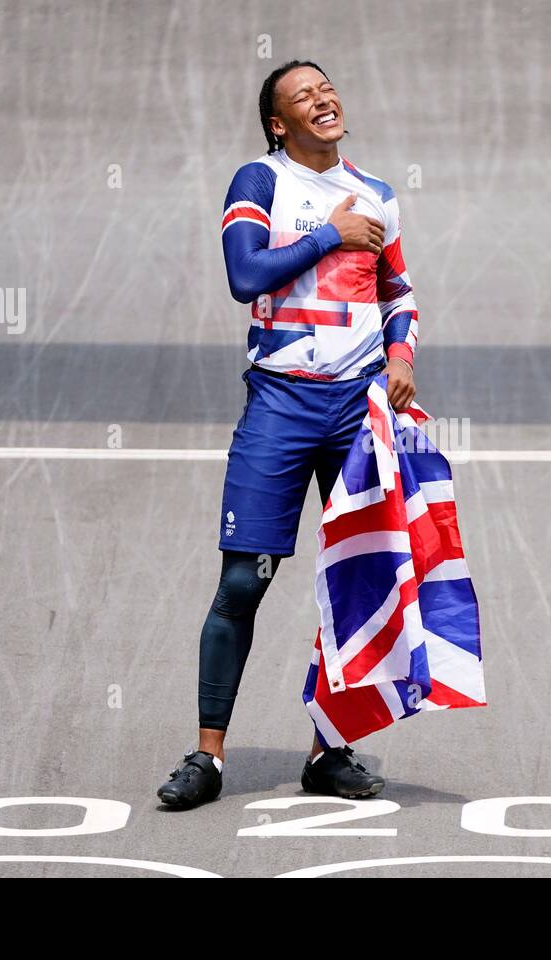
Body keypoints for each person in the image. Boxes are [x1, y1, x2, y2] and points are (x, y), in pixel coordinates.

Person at [158, 59, 420, 809]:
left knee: (355, 584)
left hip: (356, 409)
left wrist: (400, 354)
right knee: (245, 579)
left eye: (328, 87)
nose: (323, 99)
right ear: (280, 123)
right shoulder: (260, 182)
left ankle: (328, 750)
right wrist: (330, 236)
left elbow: (399, 291)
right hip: (280, 402)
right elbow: (246, 275)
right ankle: (207, 757)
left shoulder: (378, 195)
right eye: (304, 96)